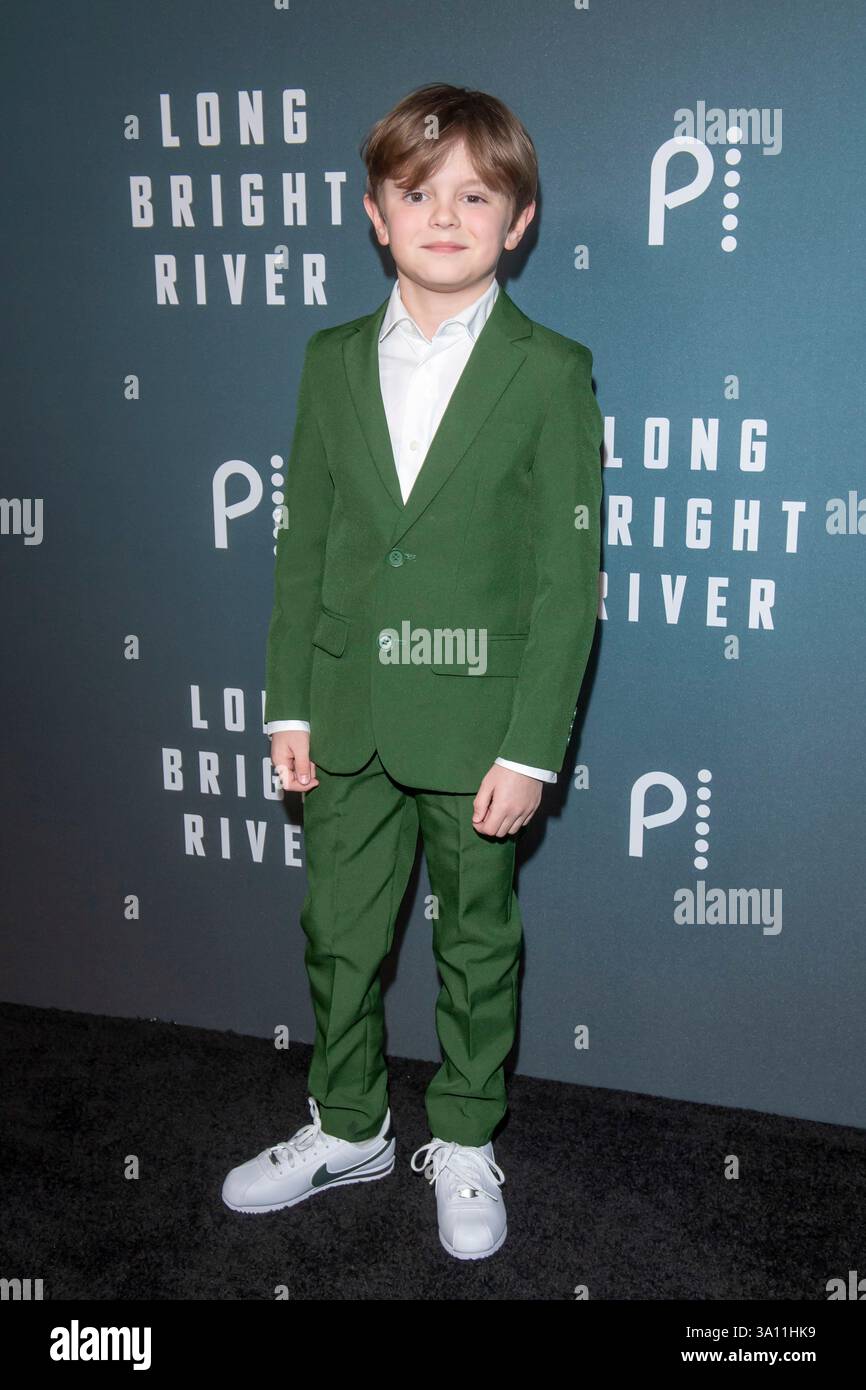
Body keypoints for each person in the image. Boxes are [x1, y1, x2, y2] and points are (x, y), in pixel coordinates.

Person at [222, 82, 603, 1261]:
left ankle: (468, 1135)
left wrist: (532, 744)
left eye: (475, 196)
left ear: (518, 220)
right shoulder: (329, 359)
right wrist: (287, 699)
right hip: (343, 713)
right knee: (338, 933)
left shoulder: (549, 371)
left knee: (474, 940)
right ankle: (346, 1123)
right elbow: (306, 548)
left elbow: (563, 581)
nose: (446, 215)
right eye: (416, 192)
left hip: (480, 724)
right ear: (376, 215)